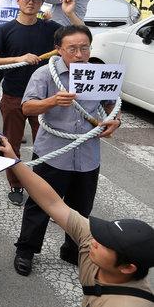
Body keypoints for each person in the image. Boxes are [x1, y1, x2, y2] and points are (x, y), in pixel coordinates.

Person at [0, 140, 154, 307]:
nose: (95, 242)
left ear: (127, 268)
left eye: (105, 244)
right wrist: (14, 161)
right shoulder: (93, 241)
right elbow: (53, 203)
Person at [14, 24, 122, 277]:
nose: (79, 53)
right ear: (58, 49)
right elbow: (27, 108)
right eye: (72, 48)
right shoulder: (44, 74)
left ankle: (73, 250)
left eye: (84, 47)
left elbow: (112, 106)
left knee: (81, 207)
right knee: (39, 205)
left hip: (87, 155)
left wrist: (114, 122)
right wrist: (51, 102)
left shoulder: (100, 74)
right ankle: (26, 251)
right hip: (52, 152)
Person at [0, 0, 81, 206]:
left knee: (47, 144)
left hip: (45, 99)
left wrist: (69, 13)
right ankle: (16, 185)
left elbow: (82, 35)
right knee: (12, 143)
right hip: (13, 95)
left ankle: (44, 190)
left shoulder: (51, 28)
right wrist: (18, 58)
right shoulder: (5, 29)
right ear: (18, 0)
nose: (31, 2)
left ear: (41, 3)